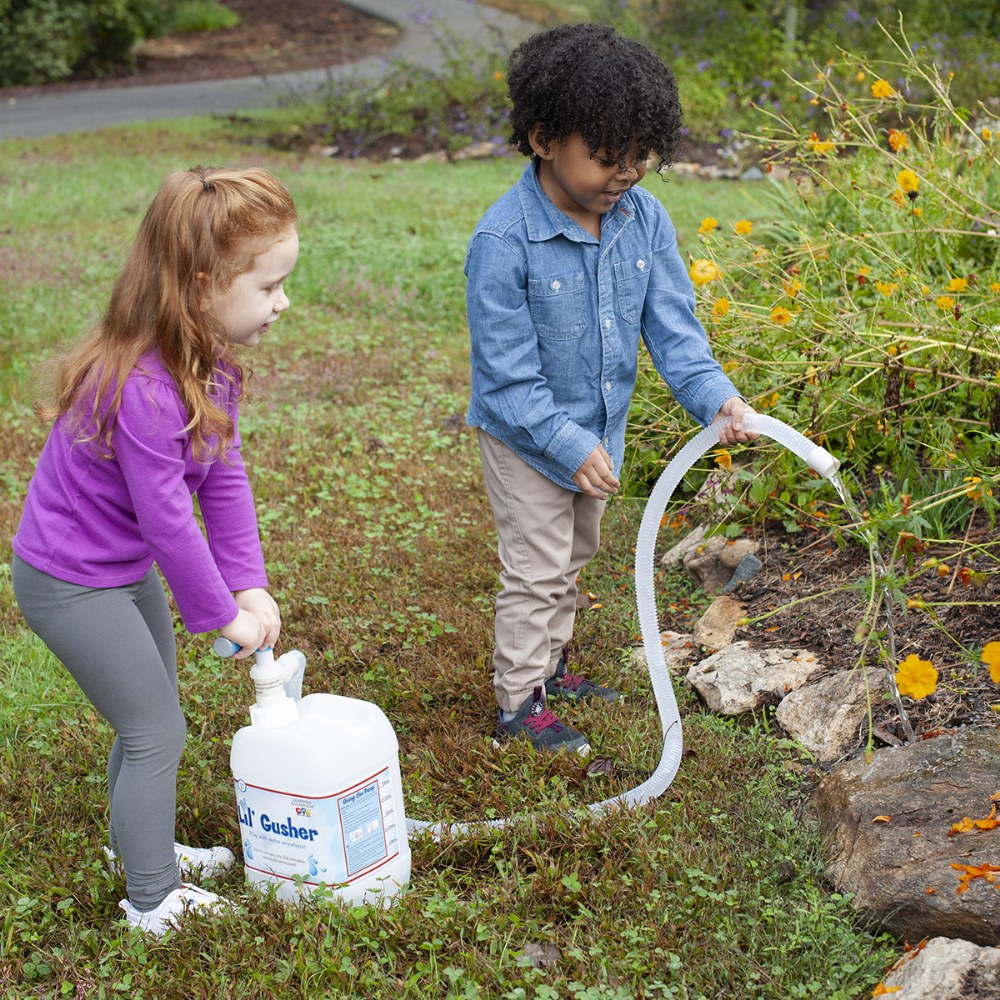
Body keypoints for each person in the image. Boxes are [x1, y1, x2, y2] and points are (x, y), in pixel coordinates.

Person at [11, 166, 299, 935]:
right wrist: (219, 617)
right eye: (269, 286)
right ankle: (151, 899)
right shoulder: (143, 388)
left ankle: (136, 849)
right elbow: (170, 520)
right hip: (68, 583)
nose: (284, 303)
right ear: (203, 285)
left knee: (150, 716)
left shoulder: (210, 365)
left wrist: (250, 583)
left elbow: (224, 479)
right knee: (154, 731)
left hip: (116, 572)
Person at [465, 24, 757, 754]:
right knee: (536, 568)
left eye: (639, 157)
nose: (625, 173)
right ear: (542, 138)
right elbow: (505, 378)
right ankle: (518, 704)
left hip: (597, 433)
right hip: (526, 434)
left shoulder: (643, 220)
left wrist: (715, 396)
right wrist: (566, 444)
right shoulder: (504, 244)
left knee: (574, 552)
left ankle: (554, 668)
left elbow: (675, 331)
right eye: (605, 157)